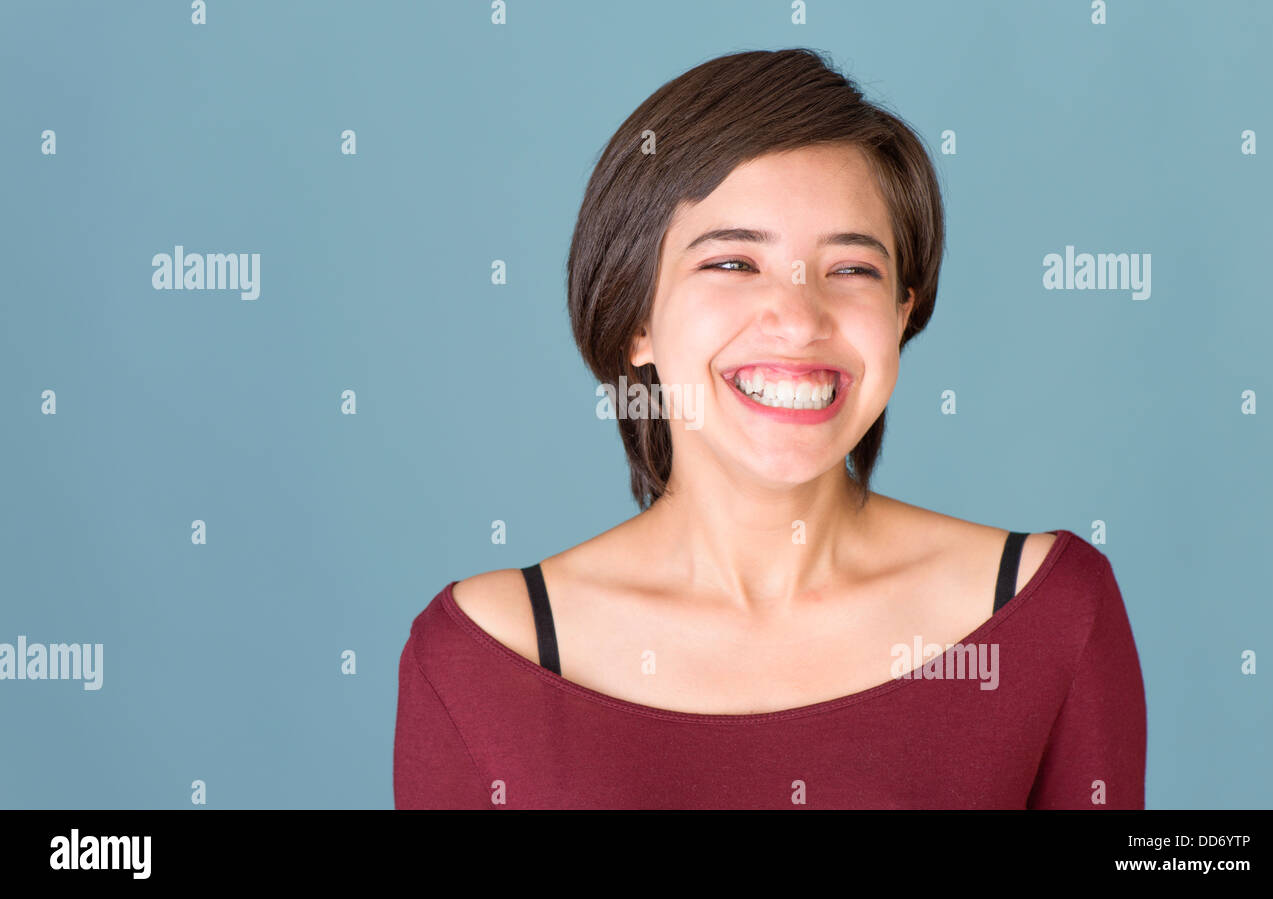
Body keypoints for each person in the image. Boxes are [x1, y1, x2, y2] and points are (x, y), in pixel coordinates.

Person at [394, 48, 1146, 809]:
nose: (797, 320)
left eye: (852, 269)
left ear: (901, 313)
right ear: (635, 322)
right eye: (732, 264)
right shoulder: (483, 656)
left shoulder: (1045, 610)